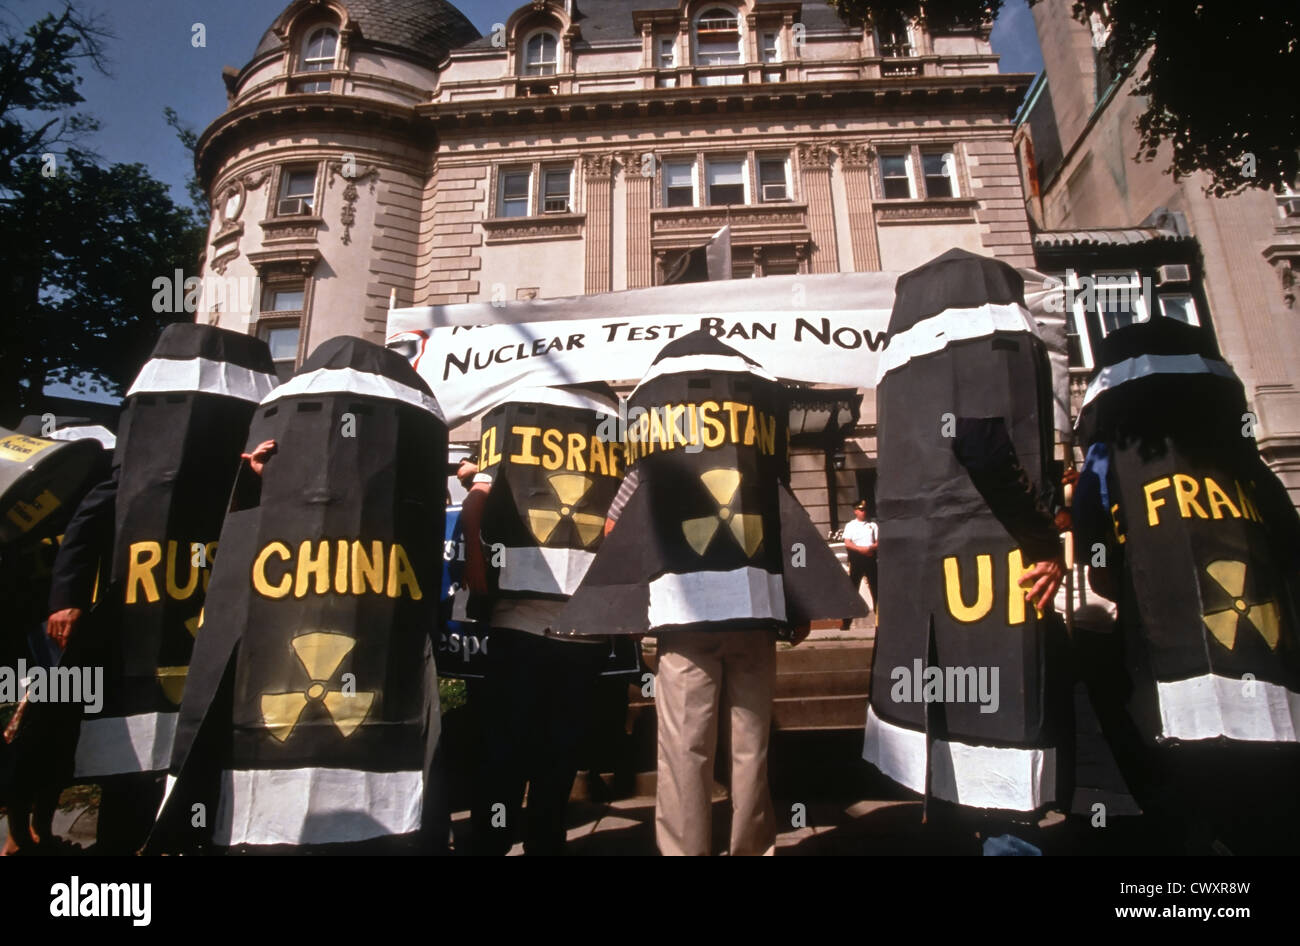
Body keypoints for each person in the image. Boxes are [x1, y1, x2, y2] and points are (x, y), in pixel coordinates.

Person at [556, 331, 866, 855]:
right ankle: (754, 849)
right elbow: (782, 512)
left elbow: (616, 526)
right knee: (751, 748)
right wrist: (800, 605)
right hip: (755, 609)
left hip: (684, 614)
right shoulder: (757, 441)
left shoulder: (652, 451)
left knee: (684, 750)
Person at [461, 384, 622, 855]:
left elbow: (475, 505)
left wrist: (476, 565)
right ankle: (543, 841)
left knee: (506, 748)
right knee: (559, 753)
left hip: (520, 622)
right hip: (583, 628)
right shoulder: (612, 426)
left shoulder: (516, 420)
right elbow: (619, 523)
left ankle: (492, 840)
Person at [841, 500, 879, 628]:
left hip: (869, 558)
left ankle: (879, 618)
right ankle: (846, 621)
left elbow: (878, 542)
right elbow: (847, 542)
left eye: (865, 510)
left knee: (876, 589)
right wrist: (860, 550)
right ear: (855, 511)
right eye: (861, 510)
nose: (864, 512)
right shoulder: (850, 525)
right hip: (856, 559)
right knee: (852, 589)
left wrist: (869, 548)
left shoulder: (873, 525)